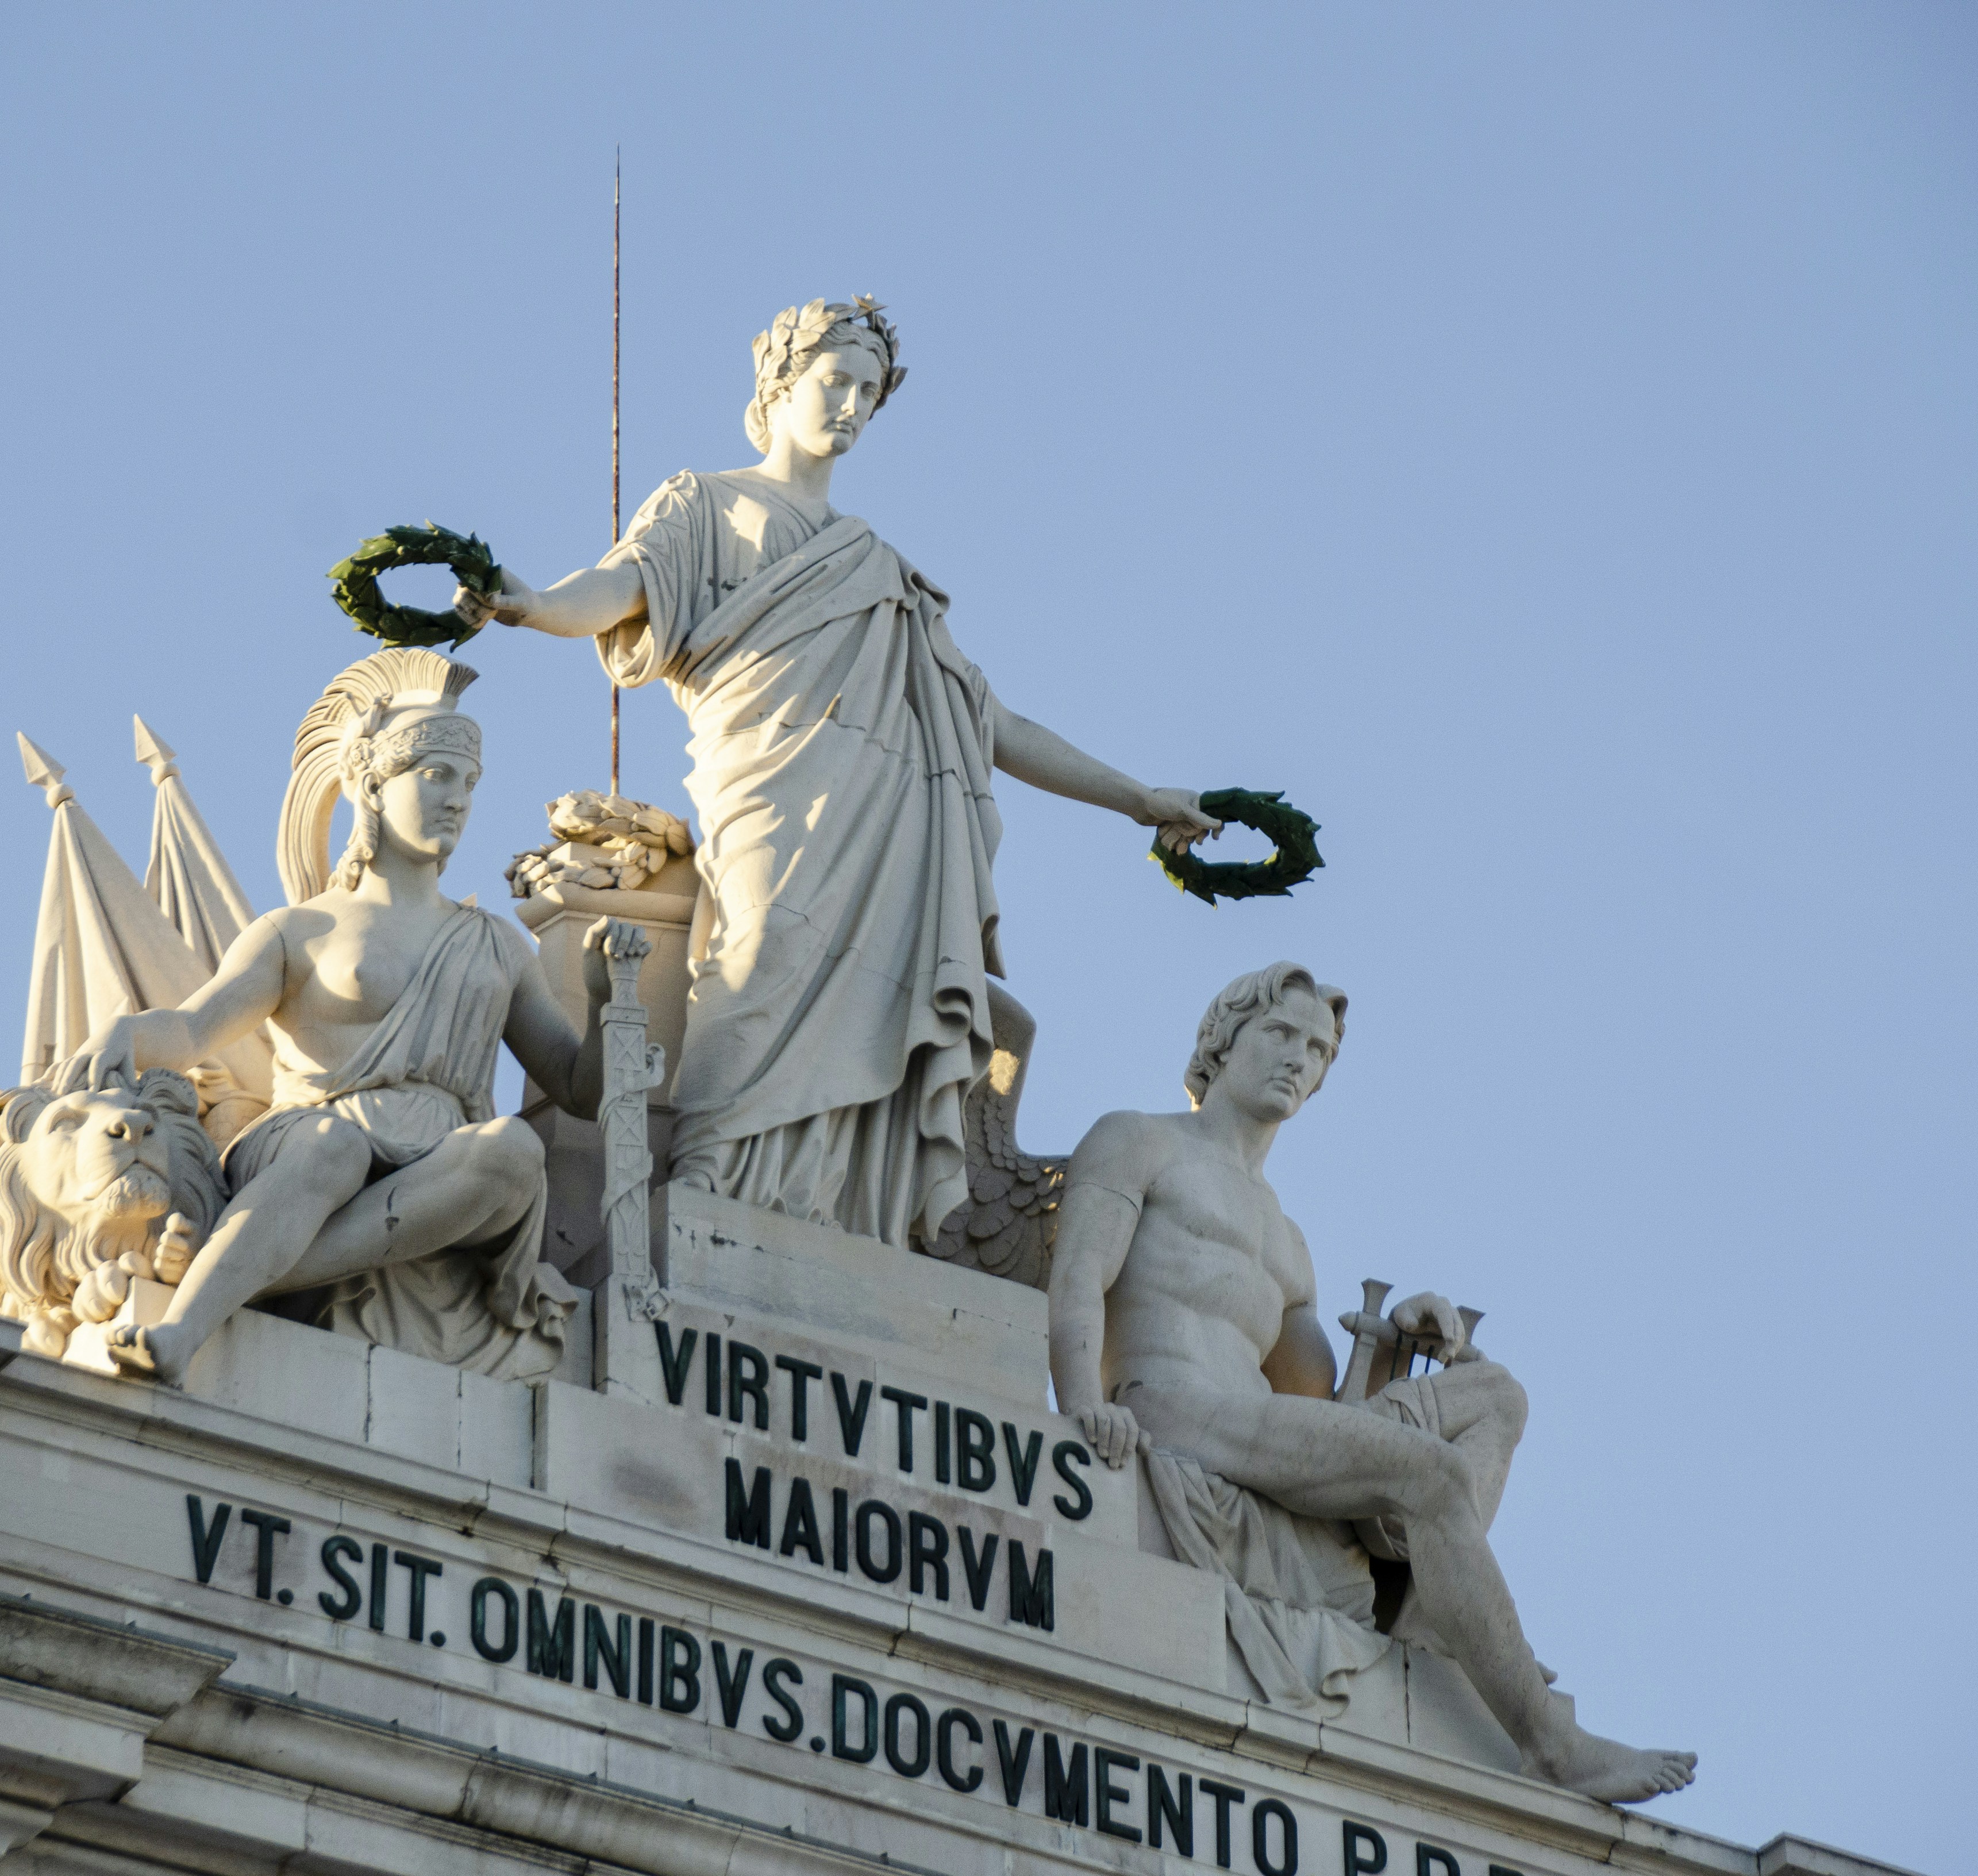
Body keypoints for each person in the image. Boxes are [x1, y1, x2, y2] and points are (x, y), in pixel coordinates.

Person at [453, 297, 1219, 1248]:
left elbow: (995, 721)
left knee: (870, 1004)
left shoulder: (883, 573)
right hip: (769, 801)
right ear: (777, 384)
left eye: (869, 391)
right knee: (753, 967)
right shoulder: (707, 504)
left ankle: (844, 1227)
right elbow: (619, 587)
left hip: (882, 830)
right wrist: (528, 603)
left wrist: (1137, 797)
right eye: (834, 381)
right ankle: (708, 1187)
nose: (851, 405)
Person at [1046, 963, 1699, 1805]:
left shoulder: (1289, 1242)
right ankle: (1550, 1742)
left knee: (1498, 1396)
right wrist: (1083, 1409)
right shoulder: (1138, 1140)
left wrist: (1398, 1346)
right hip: (1172, 1410)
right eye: (1281, 1034)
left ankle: (1431, 1617)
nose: (1298, 1060)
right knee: (1431, 1475)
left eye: (1317, 1050)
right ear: (1223, 1037)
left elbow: (1323, 1415)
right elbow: (1077, 1281)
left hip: (1261, 1433)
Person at [61, 648, 641, 1387]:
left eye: (469, 782)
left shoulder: (492, 943)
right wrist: (126, 1034)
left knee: (512, 1153)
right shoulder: (296, 930)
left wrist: (604, 995)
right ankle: (181, 1333)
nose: (457, 800)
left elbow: (577, 1089)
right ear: (371, 783)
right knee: (332, 1145)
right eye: (434, 775)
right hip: (312, 1144)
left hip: (441, 1168)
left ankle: (241, 1270)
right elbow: (194, 1030)